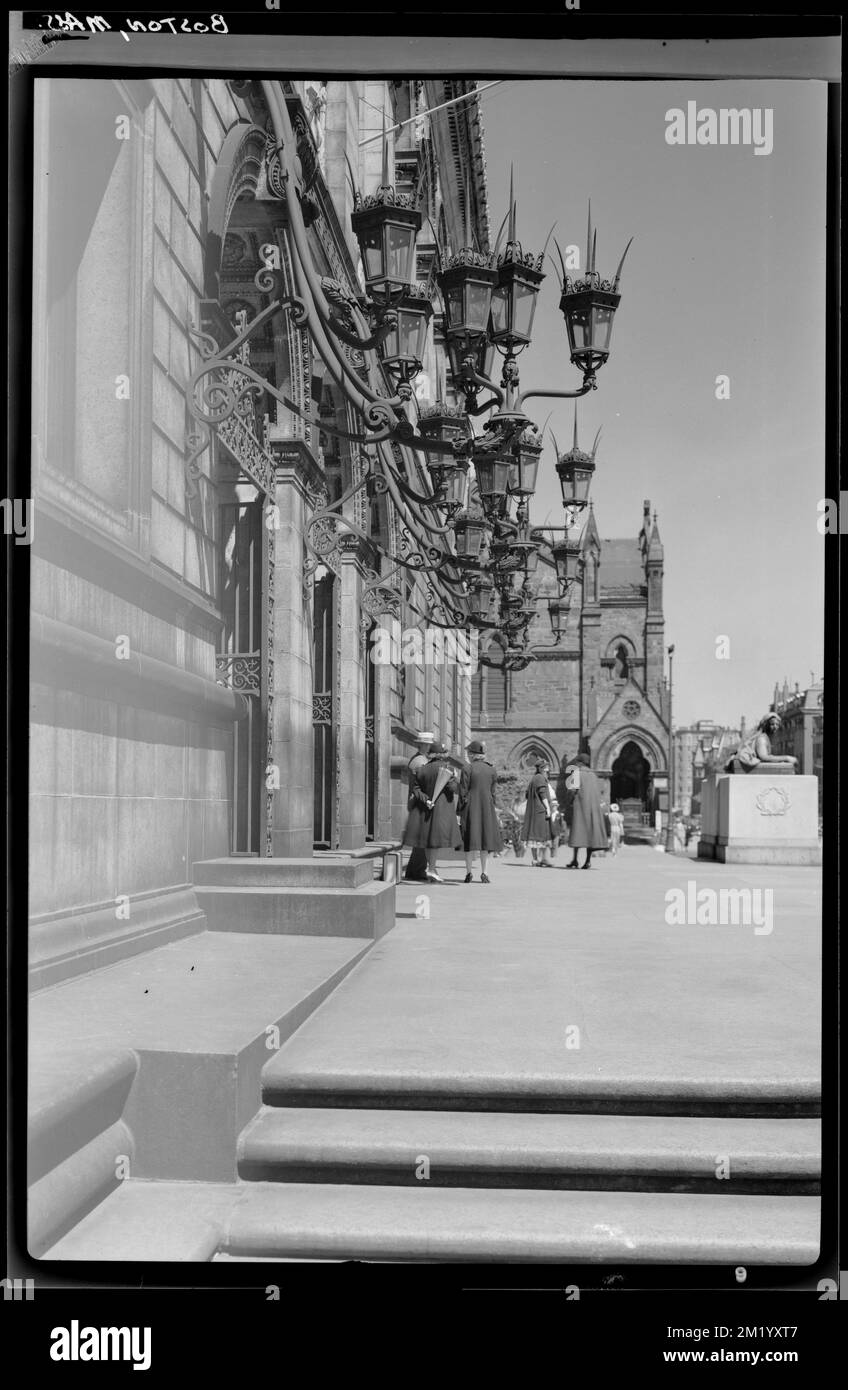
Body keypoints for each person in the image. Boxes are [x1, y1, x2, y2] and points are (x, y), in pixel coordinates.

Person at [402, 741, 462, 883]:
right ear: (442, 755)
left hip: (426, 809)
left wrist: (426, 800)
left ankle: (431, 868)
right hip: (442, 811)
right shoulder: (448, 769)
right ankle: (432, 869)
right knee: (434, 841)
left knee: (429, 841)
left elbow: (416, 790)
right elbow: (456, 789)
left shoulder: (423, 769)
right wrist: (455, 777)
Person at [459, 740, 502, 883]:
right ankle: (484, 873)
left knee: (469, 840)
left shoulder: (467, 768)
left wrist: (459, 811)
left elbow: (463, 792)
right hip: (487, 808)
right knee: (485, 841)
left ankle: (469, 873)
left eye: (468, 753)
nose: (467, 755)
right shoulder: (492, 770)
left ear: (472, 754)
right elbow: (493, 792)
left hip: (471, 807)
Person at [564, 752, 608, 869]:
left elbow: (572, 790)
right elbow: (600, 791)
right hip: (593, 808)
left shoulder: (577, 773)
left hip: (580, 807)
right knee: (590, 834)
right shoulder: (594, 775)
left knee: (577, 832)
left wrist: (568, 801)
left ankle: (575, 860)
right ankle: (587, 861)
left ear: (580, 762)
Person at [403, 731, 434, 881]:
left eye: (430, 744)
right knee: (421, 837)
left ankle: (416, 869)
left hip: (421, 801)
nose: (429, 747)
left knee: (422, 837)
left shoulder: (422, 759)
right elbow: (423, 783)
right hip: (419, 802)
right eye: (427, 744)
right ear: (421, 745)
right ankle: (416, 870)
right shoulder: (419, 761)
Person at [725, 714, 798, 774]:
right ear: (766, 725)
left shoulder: (766, 738)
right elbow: (764, 757)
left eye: (777, 724)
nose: (775, 727)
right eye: (772, 724)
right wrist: (787, 758)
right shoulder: (762, 739)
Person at [521, 758, 555, 867]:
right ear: (542, 768)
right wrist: (548, 808)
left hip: (535, 810)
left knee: (535, 836)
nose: (548, 768)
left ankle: (537, 859)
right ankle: (541, 859)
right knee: (542, 835)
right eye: (546, 766)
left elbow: (527, 795)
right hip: (541, 811)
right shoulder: (540, 778)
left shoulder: (534, 778)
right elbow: (543, 794)